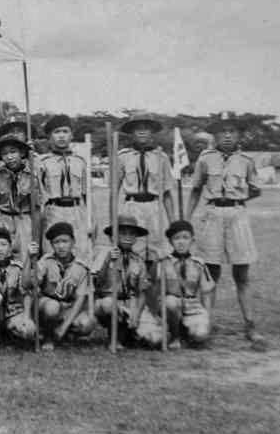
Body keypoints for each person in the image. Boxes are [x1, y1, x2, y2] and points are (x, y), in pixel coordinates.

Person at [186, 112, 266, 349]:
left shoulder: (246, 161)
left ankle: (250, 326)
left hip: (237, 216)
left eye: (232, 131)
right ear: (215, 136)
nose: (227, 136)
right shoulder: (205, 159)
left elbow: (256, 189)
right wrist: (186, 221)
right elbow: (195, 190)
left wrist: (237, 199)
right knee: (211, 274)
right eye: (222, 131)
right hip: (212, 216)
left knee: (242, 274)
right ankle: (205, 325)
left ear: (238, 135)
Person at [91, 215, 160, 349]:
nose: (127, 237)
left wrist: (137, 316)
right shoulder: (103, 254)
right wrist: (108, 261)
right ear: (113, 236)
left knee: (156, 340)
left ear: (135, 238)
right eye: (123, 233)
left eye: (131, 234)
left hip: (131, 303)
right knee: (107, 304)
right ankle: (115, 337)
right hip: (110, 301)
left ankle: (131, 334)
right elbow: (98, 285)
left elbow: (142, 293)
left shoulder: (138, 260)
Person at [116, 113, 175, 258]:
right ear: (131, 133)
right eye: (137, 128)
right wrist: (115, 218)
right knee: (134, 250)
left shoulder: (161, 157)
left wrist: (173, 224)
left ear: (152, 132)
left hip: (155, 207)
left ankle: (154, 278)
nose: (142, 131)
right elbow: (114, 190)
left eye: (146, 128)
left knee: (157, 250)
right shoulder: (123, 156)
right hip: (131, 207)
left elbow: (167, 193)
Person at [151, 220, 215, 349]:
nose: (181, 242)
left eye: (185, 238)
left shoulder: (199, 263)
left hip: (192, 305)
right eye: (176, 238)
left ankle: (187, 329)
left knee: (200, 336)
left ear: (192, 240)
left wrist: (207, 316)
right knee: (170, 302)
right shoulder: (163, 262)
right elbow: (153, 291)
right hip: (170, 304)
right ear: (170, 241)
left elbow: (206, 292)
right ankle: (175, 336)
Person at [0, 228, 38, 357]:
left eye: (3, 245)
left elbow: (26, 287)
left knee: (29, 330)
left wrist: (29, 257)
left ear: (10, 248)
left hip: (12, 313)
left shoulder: (18, 267)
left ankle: (10, 336)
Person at [38, 115, 90, 262]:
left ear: (71, 135)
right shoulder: (42, 162)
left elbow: (87, 195)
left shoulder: (80, 162)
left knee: (80, 251)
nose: (61, 136)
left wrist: (91, 220)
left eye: (65, 131)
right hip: (53, 212)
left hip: (77, 211)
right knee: (52, 253)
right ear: (49, 137)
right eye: (56, 132)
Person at [36, 222, 96, 350]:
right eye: (56, 242)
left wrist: (64, 327)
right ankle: (48, 335)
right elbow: (34, 283)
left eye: (65, 241)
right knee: (52, 307)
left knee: (87, 323)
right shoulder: (45, 261)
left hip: (68, 307)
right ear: (52, 245)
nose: (61, 246)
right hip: (48, 306)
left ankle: (66, 333)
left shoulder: (81, 267)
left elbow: (79, 301)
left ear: (73, 242)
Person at [0, 134, 35, 261]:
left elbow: (38, 204)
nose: (9, 157)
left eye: (13, 152)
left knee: (25, 257)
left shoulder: (32, 172)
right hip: (2, 219)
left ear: (21, 152)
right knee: (2, 257)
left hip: (24, 218)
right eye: (4, 154)